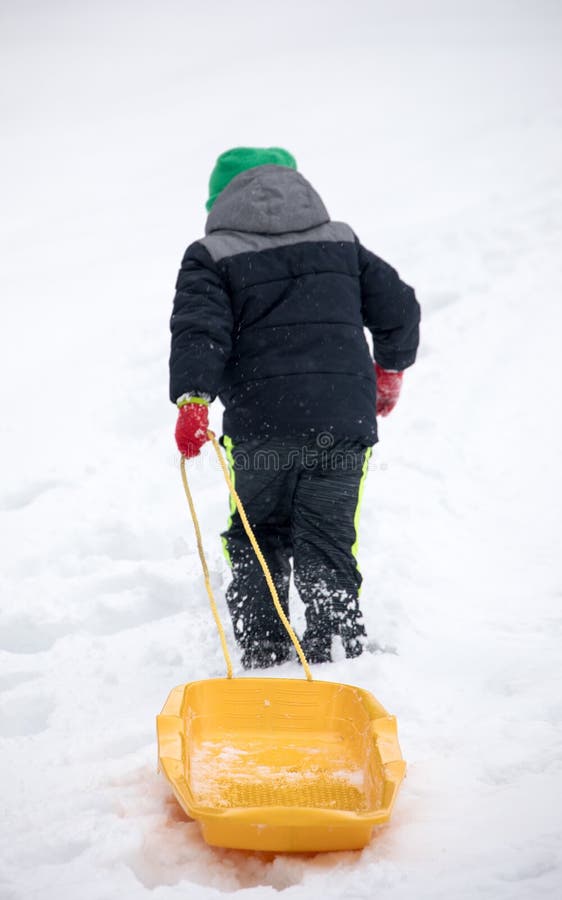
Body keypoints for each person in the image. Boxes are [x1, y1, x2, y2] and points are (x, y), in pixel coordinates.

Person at [169, 147, 420, 668]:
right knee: (327, 534)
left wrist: (193, 398)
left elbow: (200, 331)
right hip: (341, 423)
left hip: (264, 427)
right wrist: (390, 370)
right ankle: (334, 645)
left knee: (259, 532)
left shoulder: (211, 254)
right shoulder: (341, 242)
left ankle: (264, 647)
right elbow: (398, 307)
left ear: (220, 199)